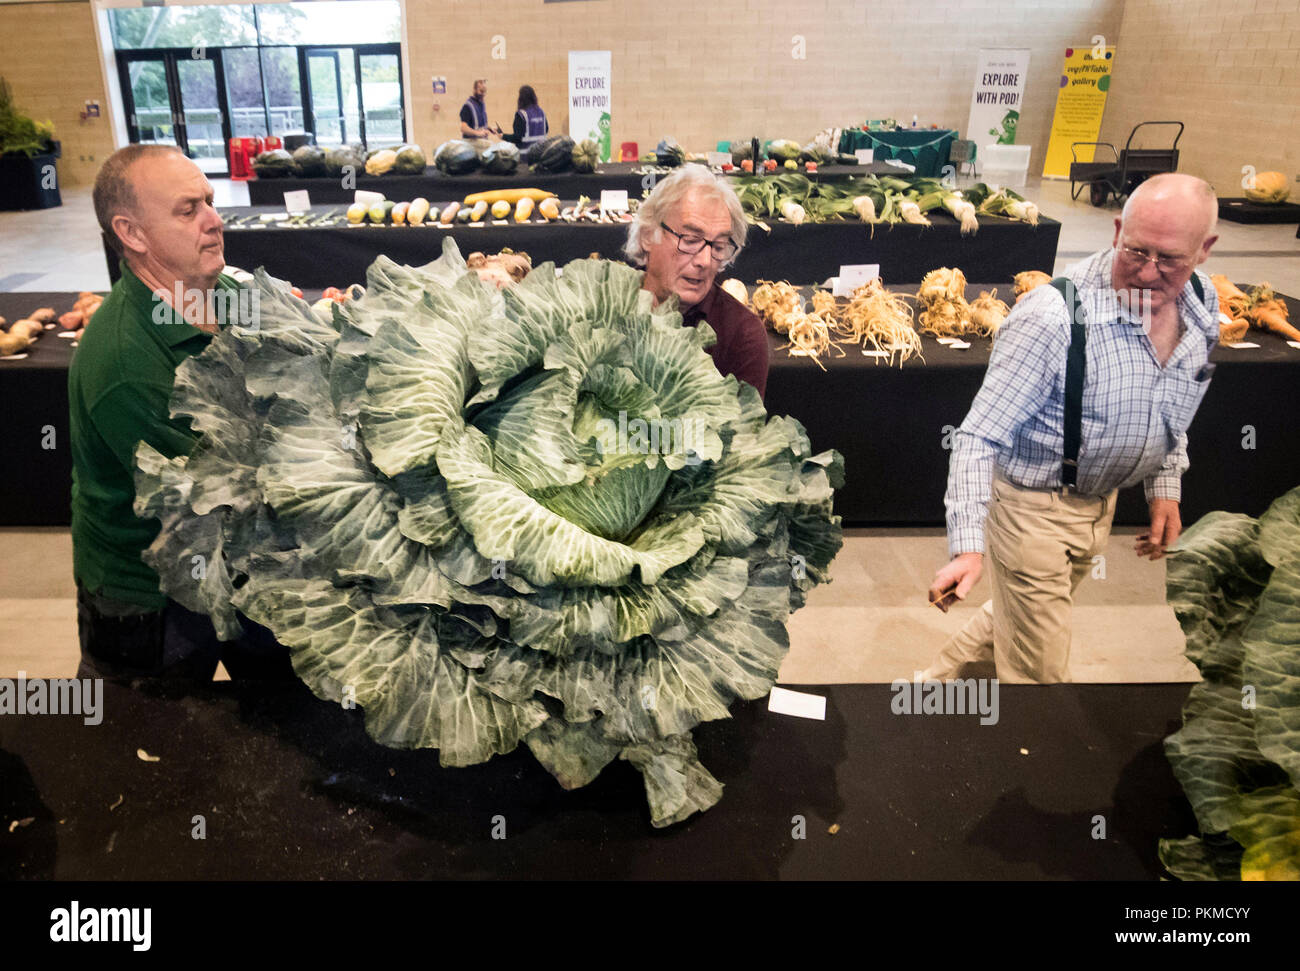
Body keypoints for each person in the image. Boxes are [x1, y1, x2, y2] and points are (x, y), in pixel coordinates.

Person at [922, 173, 1220, 684]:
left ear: (1205, 249)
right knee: (1041, 680)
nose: (1148, 273)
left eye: (1169, 258)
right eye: (1136, 251)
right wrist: (968, 547)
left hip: (1099, 507)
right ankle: (1028, 756)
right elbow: (977, 435)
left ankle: (931, 688)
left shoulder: (1200, 301)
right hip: (1033, 511)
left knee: (1022, 616)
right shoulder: (1054, 315)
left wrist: (1164, 486)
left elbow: (1173, 400)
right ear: (1116, 230)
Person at [72, 144, 291, 684]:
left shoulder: (221, 296)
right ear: (133, 233)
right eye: (187, 210)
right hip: (146, 594)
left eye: (211, 203)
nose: (215, 222)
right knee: (149, 745)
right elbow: (221, 494)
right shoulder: (126, 362)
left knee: (281, 718)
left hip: (244, 556)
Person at [623, 165, 769, 398]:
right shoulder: (603, 306)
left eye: (719, 247)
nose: (705, 261)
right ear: (647, 235)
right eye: (690, 240)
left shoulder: (741, 334)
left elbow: (741, 431)